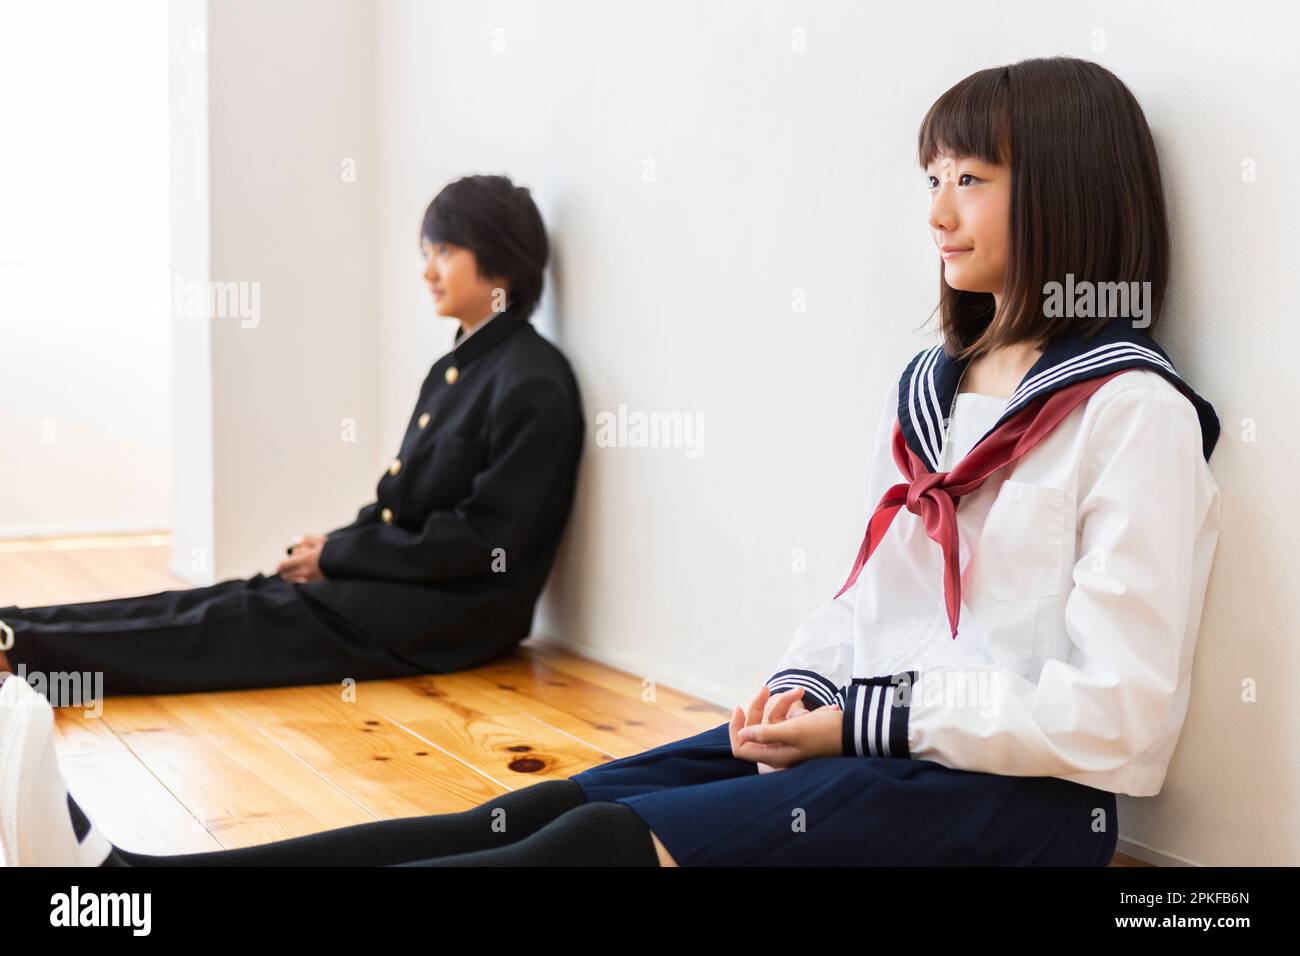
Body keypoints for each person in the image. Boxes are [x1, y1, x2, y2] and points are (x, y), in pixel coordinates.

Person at [0, 56, 1221, 867]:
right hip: (873, 741)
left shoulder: (1130, 413)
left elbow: (1119, 724)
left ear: (1062, 193)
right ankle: (122, 882)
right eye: (931, 180)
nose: (937, 212)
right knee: (540, 805)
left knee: (574, 857)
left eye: (970, 179)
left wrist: (866, 722)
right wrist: (805, 685)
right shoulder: (933, 392)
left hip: (1011, 799)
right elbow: (871, 602)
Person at [0, 174, 585, 702]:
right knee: (235, 597)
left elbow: (485, 543)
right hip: (410, 588)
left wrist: (341, 554)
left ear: (502, 262)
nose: (428, 270)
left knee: (236, 623)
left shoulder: (533, 381)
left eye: (445, 251)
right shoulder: (460, 366)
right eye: (426, 252)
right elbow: (398, 510)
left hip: (453, 618)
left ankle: (21, 660)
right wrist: (332, 545)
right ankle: (16, 628)